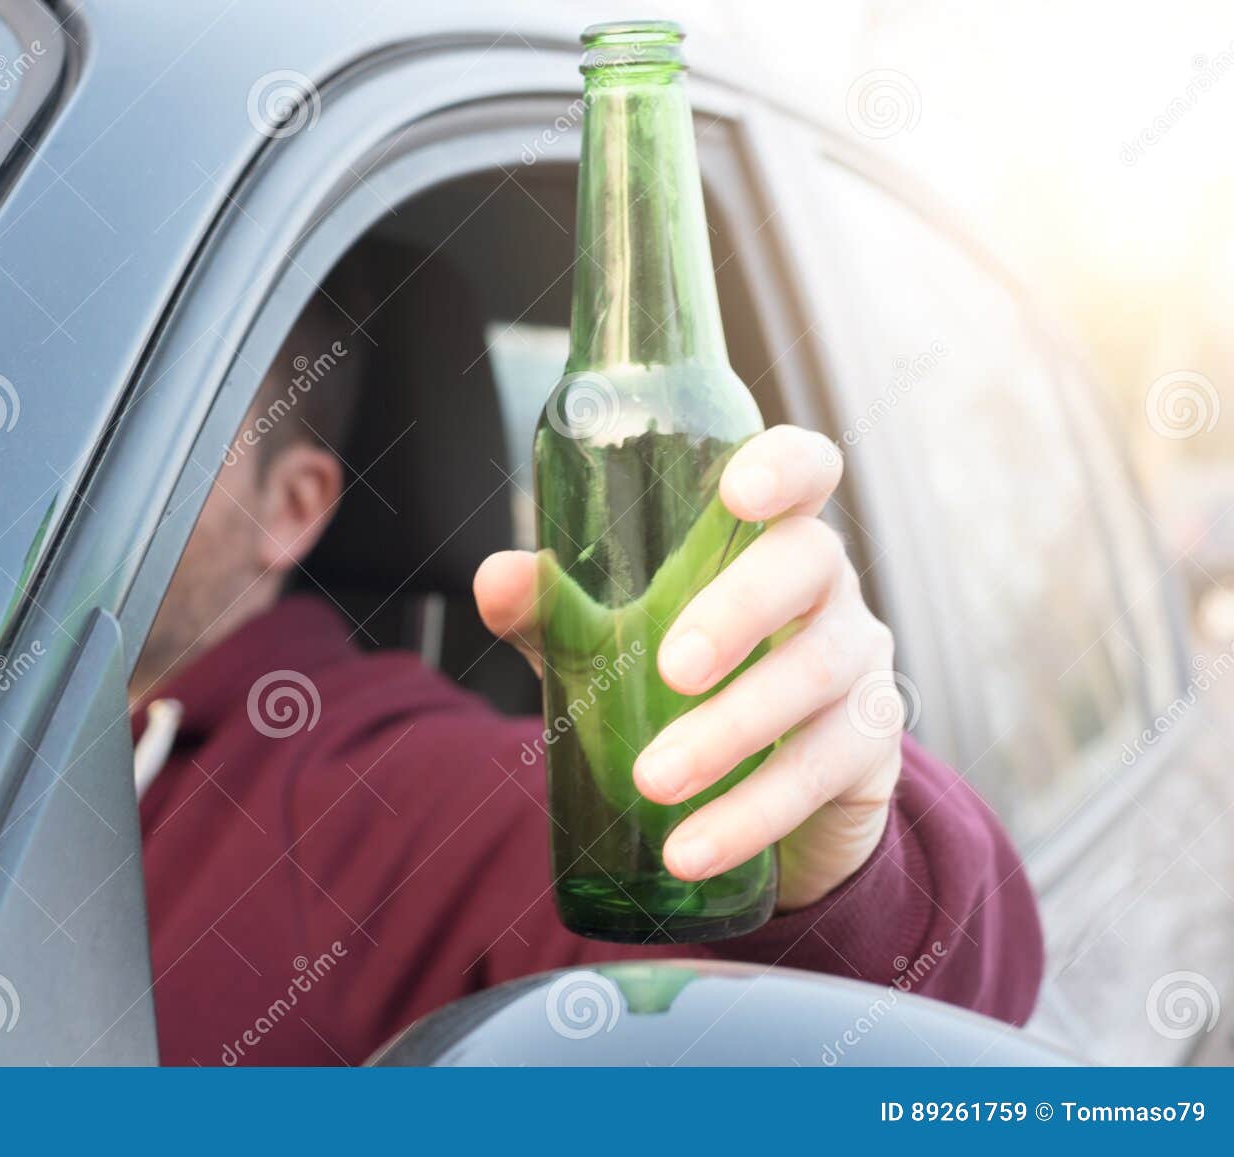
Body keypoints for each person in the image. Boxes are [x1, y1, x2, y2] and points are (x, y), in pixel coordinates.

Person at [129, 286, 1043, 1067]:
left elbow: (907, 1025)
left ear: (290, 505)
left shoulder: (399, 788)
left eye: (160, 423)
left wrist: (844, 878)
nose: (87, 461)